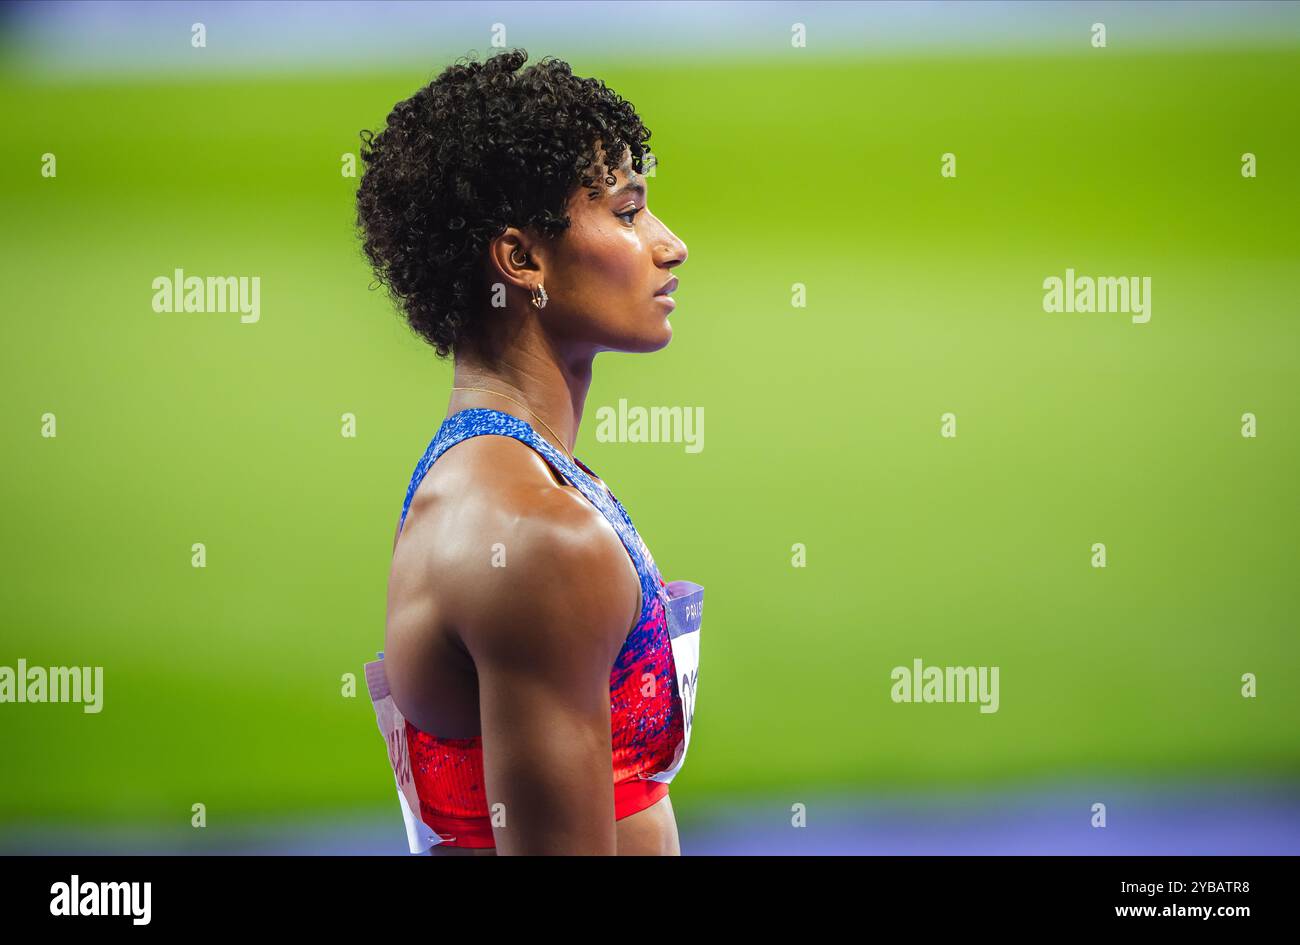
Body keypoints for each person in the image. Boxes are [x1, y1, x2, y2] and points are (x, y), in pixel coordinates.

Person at [355, 49, 703, 855]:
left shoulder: (494, 481)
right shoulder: (534, 536)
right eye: (626, 212)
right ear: (522, 261)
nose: (671, 244)